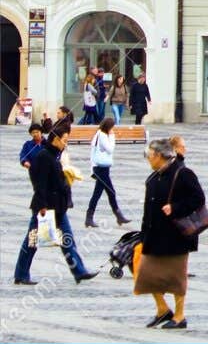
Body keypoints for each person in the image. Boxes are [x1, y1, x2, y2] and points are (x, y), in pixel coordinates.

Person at [137, 137, 205, 329]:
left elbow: (198, 199)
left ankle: (180, 316)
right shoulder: (153, 176)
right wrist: (144, 233)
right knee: (146, 275)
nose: (148, 159)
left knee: (176, 278)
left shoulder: (183, 173)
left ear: (159, 156)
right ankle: (162, 309)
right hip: (154, 234)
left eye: (149, 155)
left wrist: (175, 208)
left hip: (177, 236)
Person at [13, 128, 97, 285]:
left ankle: (79, 271)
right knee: (31, 242)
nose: (66, 143)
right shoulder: (44, 156)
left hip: (58, 208)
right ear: (56, 139)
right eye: (65, 139)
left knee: (67, 240)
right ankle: (21, 274)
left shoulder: (54, 155)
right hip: (45, 208)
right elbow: (40, 183)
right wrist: (42, 206)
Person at [85, 116, 132, 228]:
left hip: (103, 167)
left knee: (108, 192)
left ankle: (118, 216)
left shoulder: (101, 134)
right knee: (103, 192)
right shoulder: (102, 135)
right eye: (112, 127)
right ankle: (90, 217)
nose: (113, 129)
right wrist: (112, 136)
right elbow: (110, 149)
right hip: (100, 167)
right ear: (108, 127)